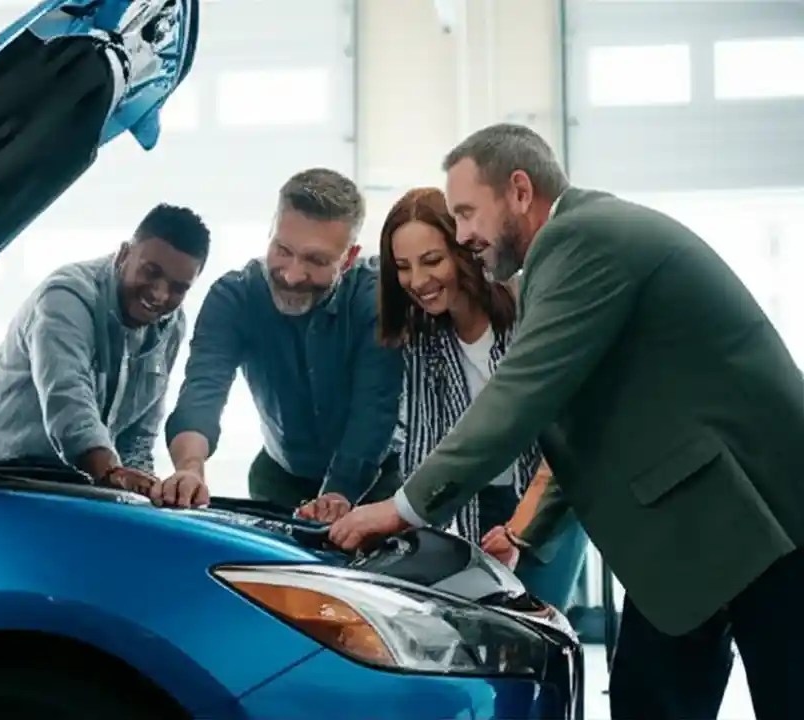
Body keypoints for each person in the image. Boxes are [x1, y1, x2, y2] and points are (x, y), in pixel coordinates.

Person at [326, 123, 804, 720]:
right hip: (699, 531)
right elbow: (572, 417)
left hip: (761, 519)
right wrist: (528, 533)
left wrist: (404, 508)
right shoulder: (567, 256)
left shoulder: (584, 240)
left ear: (519, 192)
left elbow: (521, 394)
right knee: (648, 699)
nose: (464, 235)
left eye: (468, 213)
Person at [315, 186, 587, 610]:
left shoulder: (528, 311)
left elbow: (567, 445)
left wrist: (520, 530)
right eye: (403, 267)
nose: (418, 281)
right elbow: (426, 448)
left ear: (462, 248)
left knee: (536, 631)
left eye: (432, 260)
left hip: (546, 503)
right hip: (471, 504)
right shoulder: (422, 337)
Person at [150, 168, 404, 520]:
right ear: (270, 232)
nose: (293, 274)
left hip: (377, 482)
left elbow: (374, 411)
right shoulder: (233, 297)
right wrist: (190, 468)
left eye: (316, 260)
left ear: (348, 257)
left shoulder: (376, 300)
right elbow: (202, 391)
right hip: (279, 479)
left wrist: (337, 494)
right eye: (283, 250)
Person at [0, 203, 210, 494]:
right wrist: (113, 473)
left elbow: (139, 435)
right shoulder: (65, 298)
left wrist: (147, 490)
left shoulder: (171, 324)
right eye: (151, 272)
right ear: (123, 254)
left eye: (178, 288)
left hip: (82, 488)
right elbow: (68, 400)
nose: (159, 294)